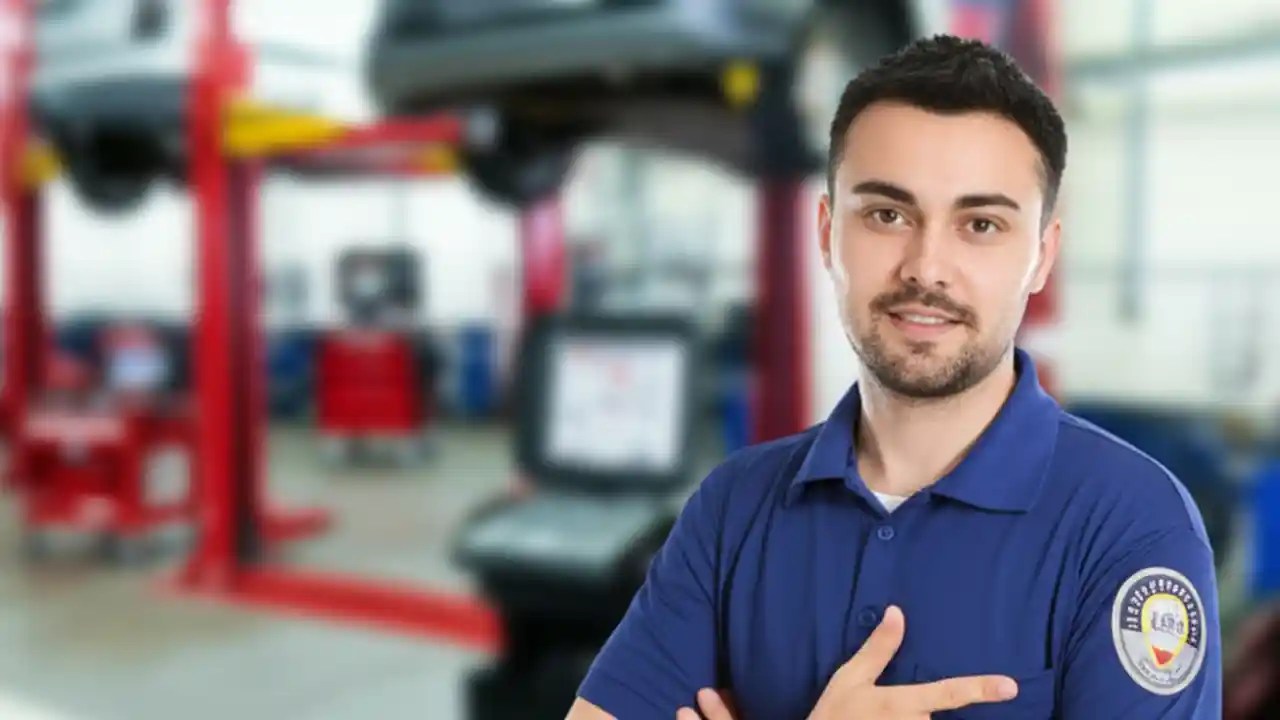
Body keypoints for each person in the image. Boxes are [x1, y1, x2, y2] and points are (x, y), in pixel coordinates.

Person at [566, 34, 1221, 720]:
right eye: (887, 214)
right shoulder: (733, 509)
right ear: (826, 233)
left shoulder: (1132, 526)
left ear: (1041, 256)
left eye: (981, 224)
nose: (926, 267)